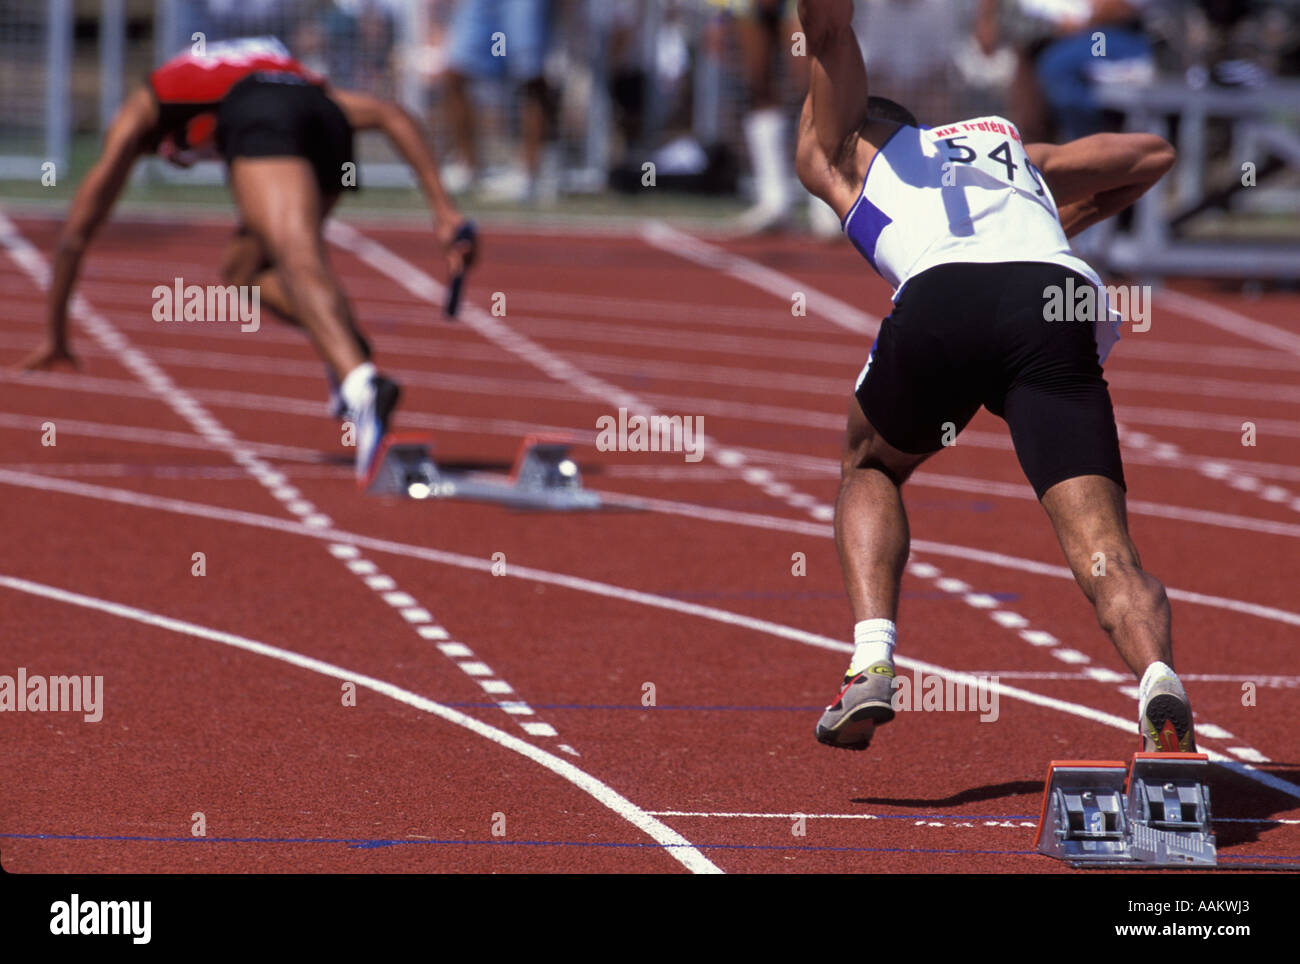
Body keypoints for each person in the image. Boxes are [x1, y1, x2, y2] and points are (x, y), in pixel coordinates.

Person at [793, 0, 1194, 754]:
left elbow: (829, 32)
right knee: (1106, 547)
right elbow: (1151, 156)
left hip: (946, 298)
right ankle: (1157, 679)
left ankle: (871, 660)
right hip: (1054, 295)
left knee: (870, 464)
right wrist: (1049, 220)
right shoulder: (1011, 150)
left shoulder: (840, 153)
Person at [19, 36, 475, 479]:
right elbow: (391, 114)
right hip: (325, 124)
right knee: (245, 270)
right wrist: (443, 210)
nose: (189, 162)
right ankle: (348, 351)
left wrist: (56, 331)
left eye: (182, 155)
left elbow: (74, 236)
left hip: (268, 118)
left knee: (297, 260)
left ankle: (360, 383)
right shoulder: (272, 74)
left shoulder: (145, 109)